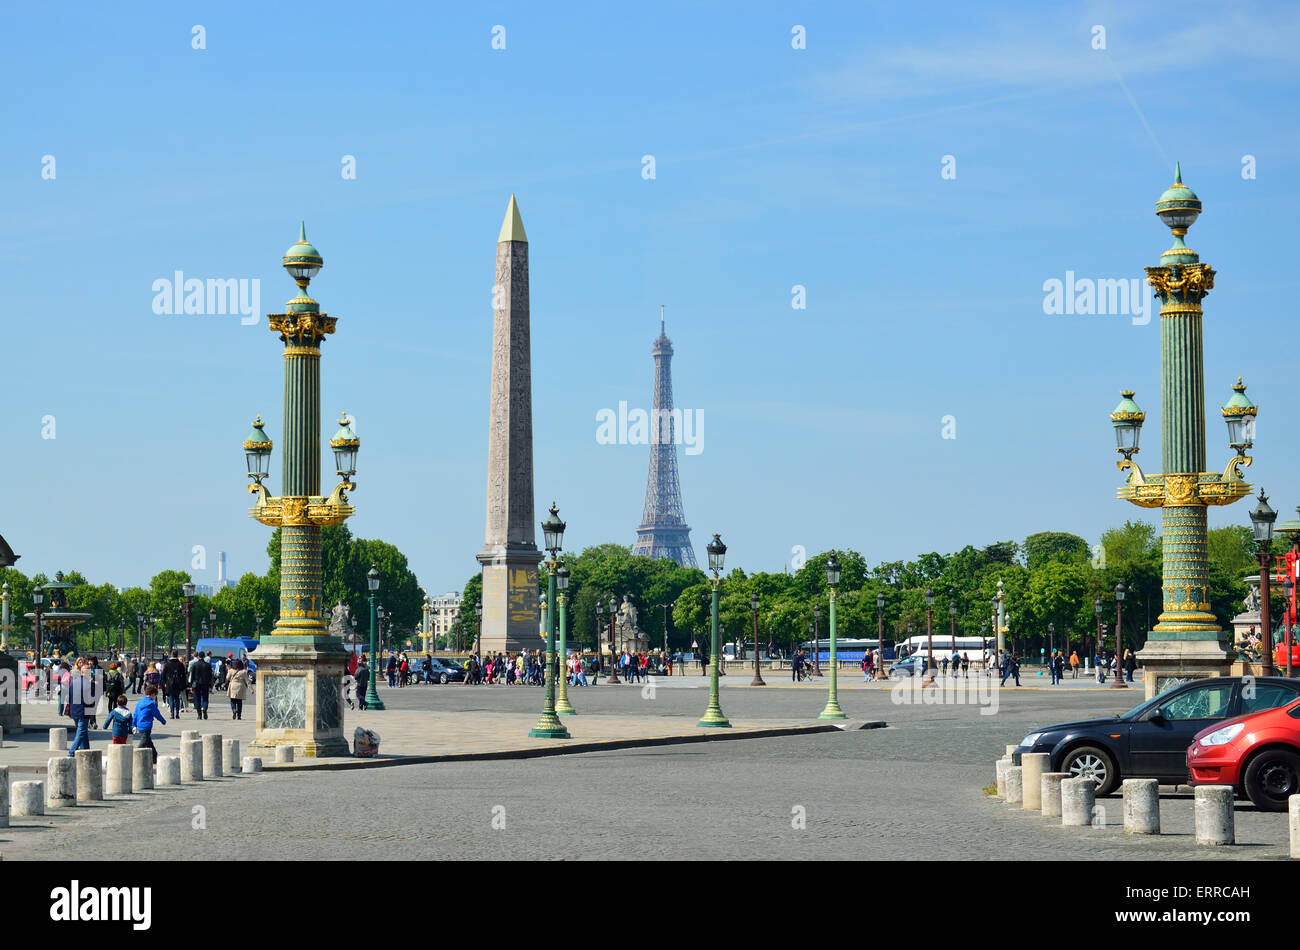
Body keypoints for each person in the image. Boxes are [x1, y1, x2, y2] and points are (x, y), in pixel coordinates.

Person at [64, 659, 93, 755]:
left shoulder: (73, 682)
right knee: (81, 732)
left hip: (74, 710)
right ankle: (71, 752)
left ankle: (86, 750)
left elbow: (70, 696)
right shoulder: (88, 684)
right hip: (84, 711)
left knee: (82, 731)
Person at [132, 685, 167, 764]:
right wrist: (163, 721)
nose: (155, 697)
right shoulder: (152, 704)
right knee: (143, 743)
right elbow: (157, 714)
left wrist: (133, 725)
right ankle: (135, 757)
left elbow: (135, 714)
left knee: (149, 742)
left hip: (139, 725)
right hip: (146, 726)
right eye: (155, 695)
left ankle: (154, 756)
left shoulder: (140, 702)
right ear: (153, 694)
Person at [189, 650, 213, 720]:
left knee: (197, 699)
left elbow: (192, 676)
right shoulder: (207, 665)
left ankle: (199, 714)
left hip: (196, 684)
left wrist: (191, 685)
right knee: (205, 698)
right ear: (204, 656)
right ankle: (204, 708)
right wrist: (210, 684)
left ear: (198, 656)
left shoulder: (195, 665)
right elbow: (210, 676)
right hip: (205, 683)